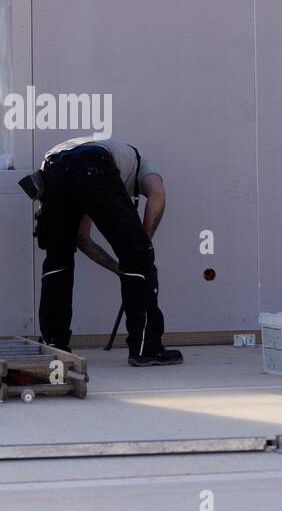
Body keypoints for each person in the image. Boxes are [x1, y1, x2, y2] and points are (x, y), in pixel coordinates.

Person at [27, 136, 180, 366]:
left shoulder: (104, 160)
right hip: (93, 163)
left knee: (58, 260)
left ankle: (54, 343)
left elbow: (82, 239)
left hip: (54, 168)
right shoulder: (140, 163)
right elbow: (157, 193)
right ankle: (146, 347)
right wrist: (143, 247)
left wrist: (119, 269)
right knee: (138, 257)